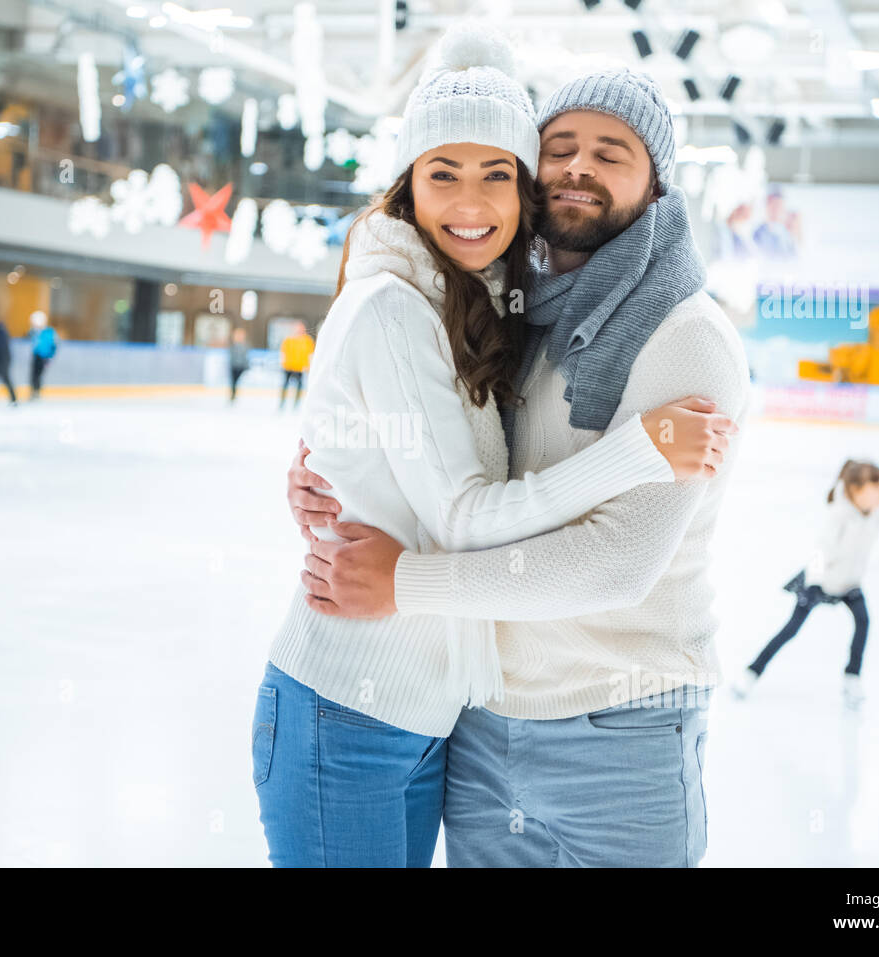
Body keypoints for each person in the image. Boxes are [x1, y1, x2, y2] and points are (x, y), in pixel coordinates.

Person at [254, 26, 737, 868]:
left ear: (657, 184)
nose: (579, 168)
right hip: (464, 724)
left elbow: (617, 563)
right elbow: (446, 481)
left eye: (611, 152)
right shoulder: (490, 310)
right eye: (561, 149)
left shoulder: (671, 332)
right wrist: (325, 468)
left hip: (612, 732)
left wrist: (404, 580)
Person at [733, 460, 879, 708]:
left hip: (850, 583)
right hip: (822, 581)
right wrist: (813, 584)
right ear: (856, 491)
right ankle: (751, 672)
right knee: (790, 629)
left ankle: (852, 677)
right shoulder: (839, 515)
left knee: (863, 622)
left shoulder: (876, 515)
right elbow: (820, 550)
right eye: (874, 490)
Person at [276, 322, 314, 409]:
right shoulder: (289, 340)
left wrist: (308, 366)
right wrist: (283, 363)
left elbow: (310, 355)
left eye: (301, 329)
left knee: (299, 386)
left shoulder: (308, 341)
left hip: (300, 367)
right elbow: (283, 353)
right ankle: (282, 403)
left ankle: (296, 404)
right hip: (288, 366)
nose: (299, 330)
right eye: (298, 328)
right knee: (285, 385)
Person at [29, 310, 57, 400]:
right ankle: (33, 391)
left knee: (38, 375)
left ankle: (37, 392)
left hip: (44, 357)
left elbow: (53, 346)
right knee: (33, 375)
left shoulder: (49, 332)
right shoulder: (35, 332)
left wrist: (50, 357)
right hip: (36, 356)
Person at [228, 327, 250, 404]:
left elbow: (246, 357)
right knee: (233, 382)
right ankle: (233, 395)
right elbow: (231, 355)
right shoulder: (233, 345)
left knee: (236, 381)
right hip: (233, 366)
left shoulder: (245, 345)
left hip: (241, 367)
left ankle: (234, 395)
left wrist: (246, 366)